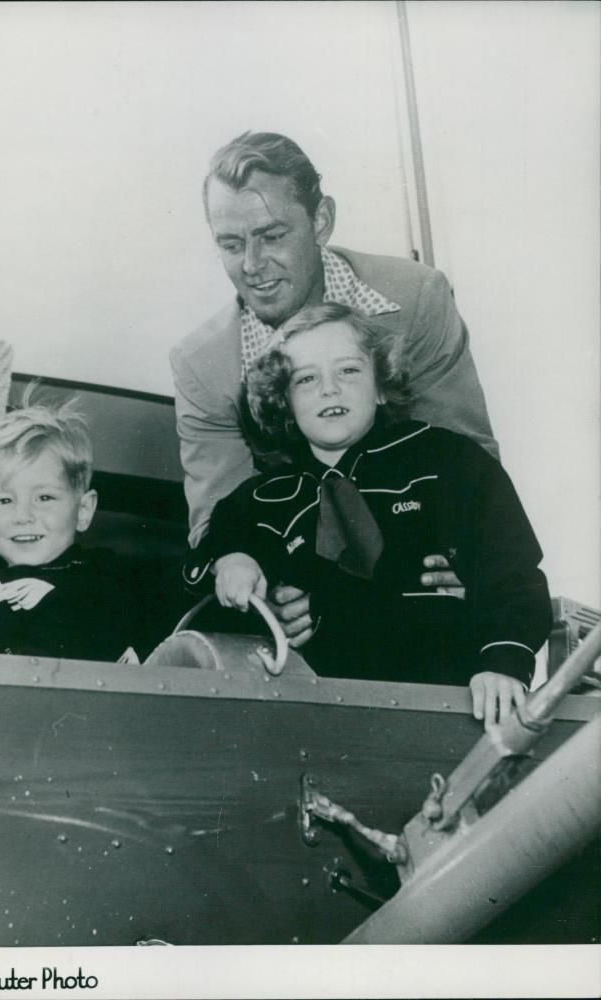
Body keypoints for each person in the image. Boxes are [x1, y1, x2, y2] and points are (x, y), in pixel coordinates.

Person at [170, 131, 496, 647]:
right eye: (232, 244)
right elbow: (218, 522)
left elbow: (470, 464)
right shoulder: (201, 366)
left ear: (320, 221)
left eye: (272, 235)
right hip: (310, 606)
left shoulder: (418, 300)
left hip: (426, 591)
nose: (252, 265)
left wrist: (472, 560)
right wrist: (270, 589)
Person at [183, 304, 552, 726]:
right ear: (283, 402)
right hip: (314, 719)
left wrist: (505, 664)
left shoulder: (450, 463)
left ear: (381, 384)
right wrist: (233, 560)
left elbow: (514, 573)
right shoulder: (257, 501)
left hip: (448, 704)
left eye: (349, 371)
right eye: (306, 379)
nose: (329, 390)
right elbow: (208, 569)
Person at [0, 399, 140, 661]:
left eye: (44, 498)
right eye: (4, 501)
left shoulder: (98, 588)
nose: (23, 516)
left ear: (83, 510)